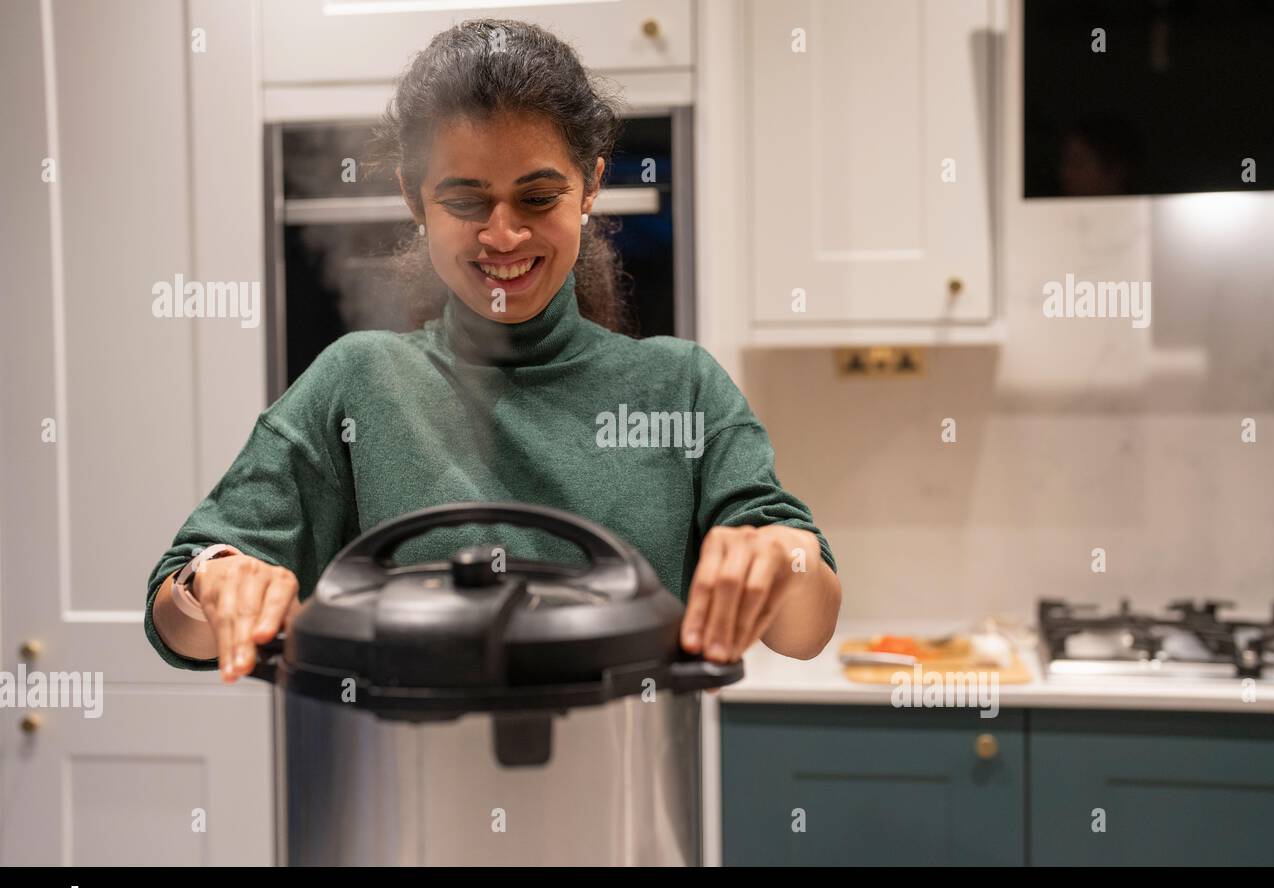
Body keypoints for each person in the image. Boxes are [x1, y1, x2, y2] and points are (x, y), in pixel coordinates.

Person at [145, 18, 840, 684]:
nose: (503, 236)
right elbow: (177, 621)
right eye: (466, 202)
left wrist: (783, 556)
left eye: (538, 197)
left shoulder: (680, 387)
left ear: (591, 186)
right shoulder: (356, 382)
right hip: (398, 791)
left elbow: (804, 631)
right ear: (415, 200)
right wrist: (214, 581)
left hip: (630, 791)